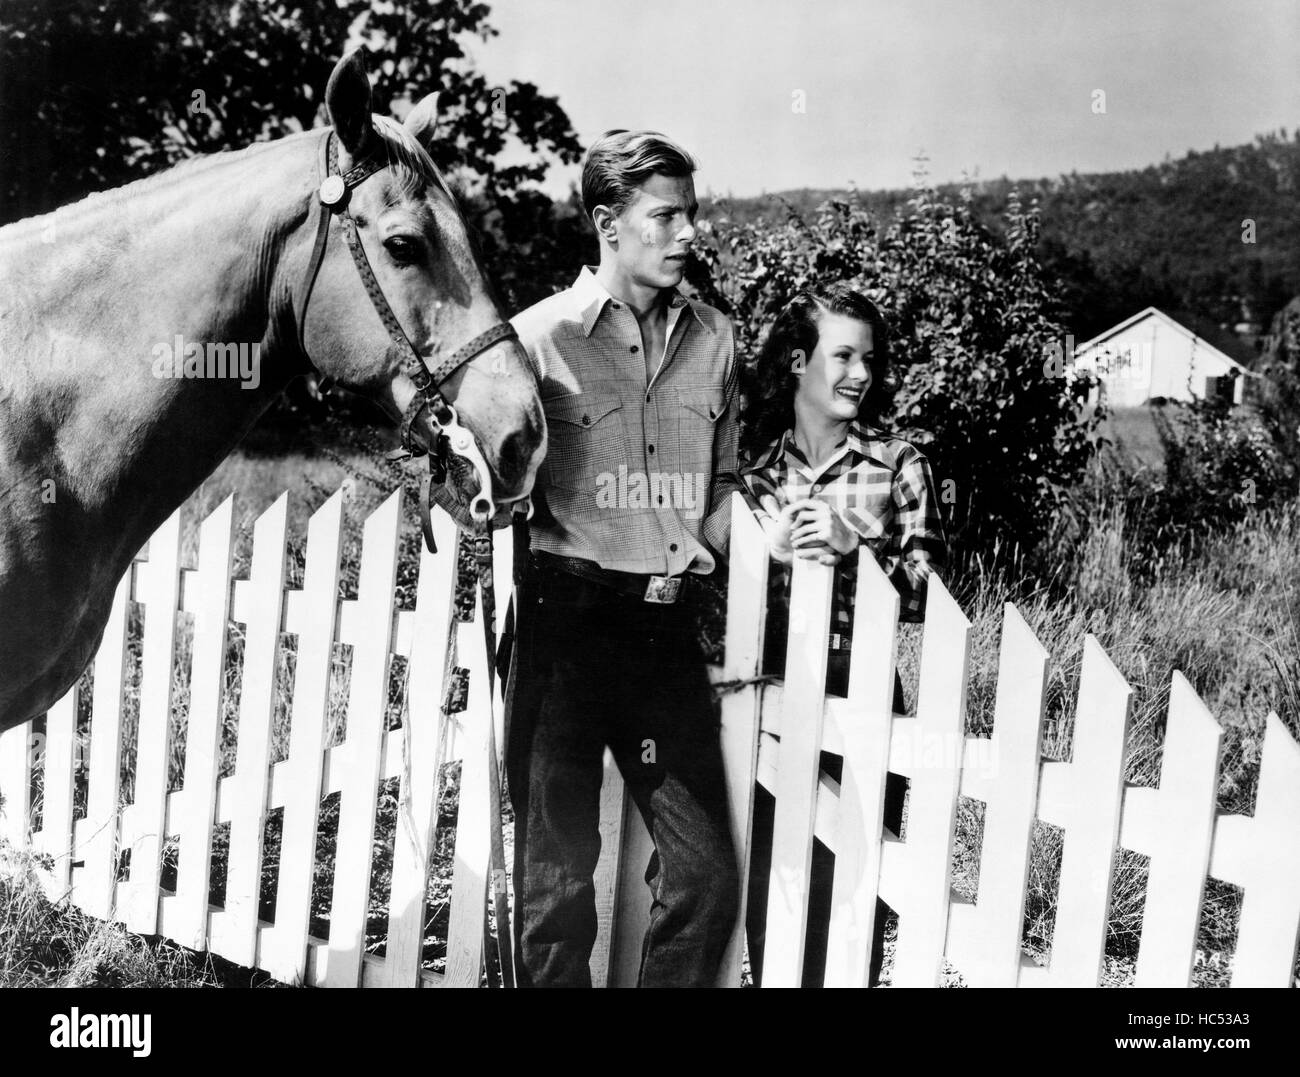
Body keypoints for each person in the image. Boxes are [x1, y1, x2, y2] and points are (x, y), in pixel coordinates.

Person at [503, 130, 742, 987]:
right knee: (555, 890)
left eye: (692, 215)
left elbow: (724, 486)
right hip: (564, 630)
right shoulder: (534, 342)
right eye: (665, 217)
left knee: (705, 876)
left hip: (662, 637)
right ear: (608, 223)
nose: (688, 235)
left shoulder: (716, 340)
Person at [739, 285, 946, 986]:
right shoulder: (753, 471)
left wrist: (853, 548)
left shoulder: (899, 463)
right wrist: (754, 551)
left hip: (861, 694)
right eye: (843, 355)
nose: (861, 373)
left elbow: (926, 589)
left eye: (870, 358)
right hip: (769, 696)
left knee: (854, 893)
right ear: (797, 361)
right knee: (771, 885)